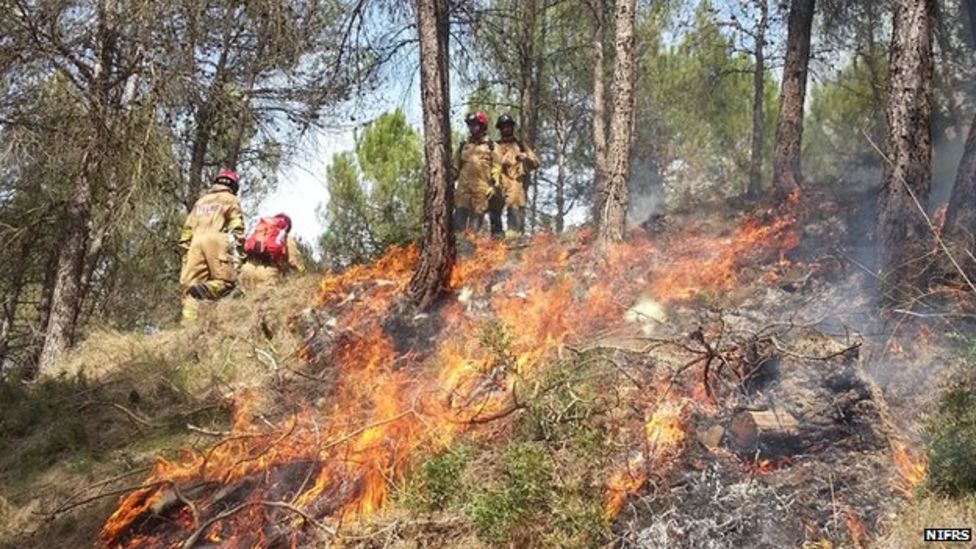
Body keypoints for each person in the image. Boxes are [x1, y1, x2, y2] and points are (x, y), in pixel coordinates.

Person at [178, 168, 246, 323]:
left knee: (189, 289)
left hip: (195, 243)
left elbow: (187, 230)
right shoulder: (231, 200)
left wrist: (186, 252)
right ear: (233, 186)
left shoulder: (200, 202)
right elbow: (237, 227)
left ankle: (188, 329)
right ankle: (203, 290)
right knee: (227, 283)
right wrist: (240, 254)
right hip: (217, 240)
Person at [453, 112, 501, 234]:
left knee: (474, 228)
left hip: (481, 191)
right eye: (470, 125)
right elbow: (454, 167)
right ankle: (458, 248)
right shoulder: (464, 146)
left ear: (482, 126)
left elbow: (496, 167)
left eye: (475, 125)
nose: (472, 128)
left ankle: (471, 250)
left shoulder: (492, 146)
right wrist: (448, 182)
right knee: (458, 224)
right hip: (463, 190)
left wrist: (495, 185)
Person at [493, 113, 539, 236]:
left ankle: (513, 237)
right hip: (499, 182)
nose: (506, 129)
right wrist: (500, 163)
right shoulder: (495, 146)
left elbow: (535, 162)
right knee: (494, 210)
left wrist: (526, 157)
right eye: (503, 127)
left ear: (512, 127)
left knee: (514, 208)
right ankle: (495, 239)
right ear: (500, 129)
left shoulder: (520, 145)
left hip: (515, 181)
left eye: (508, 126)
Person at [239, 213, 306, 291]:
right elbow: (293, 261)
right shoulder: (286, 237)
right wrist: (302, 273)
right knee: (265, 301)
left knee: (248, 301)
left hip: (247, 269)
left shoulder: (260, 231)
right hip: (266, 272)